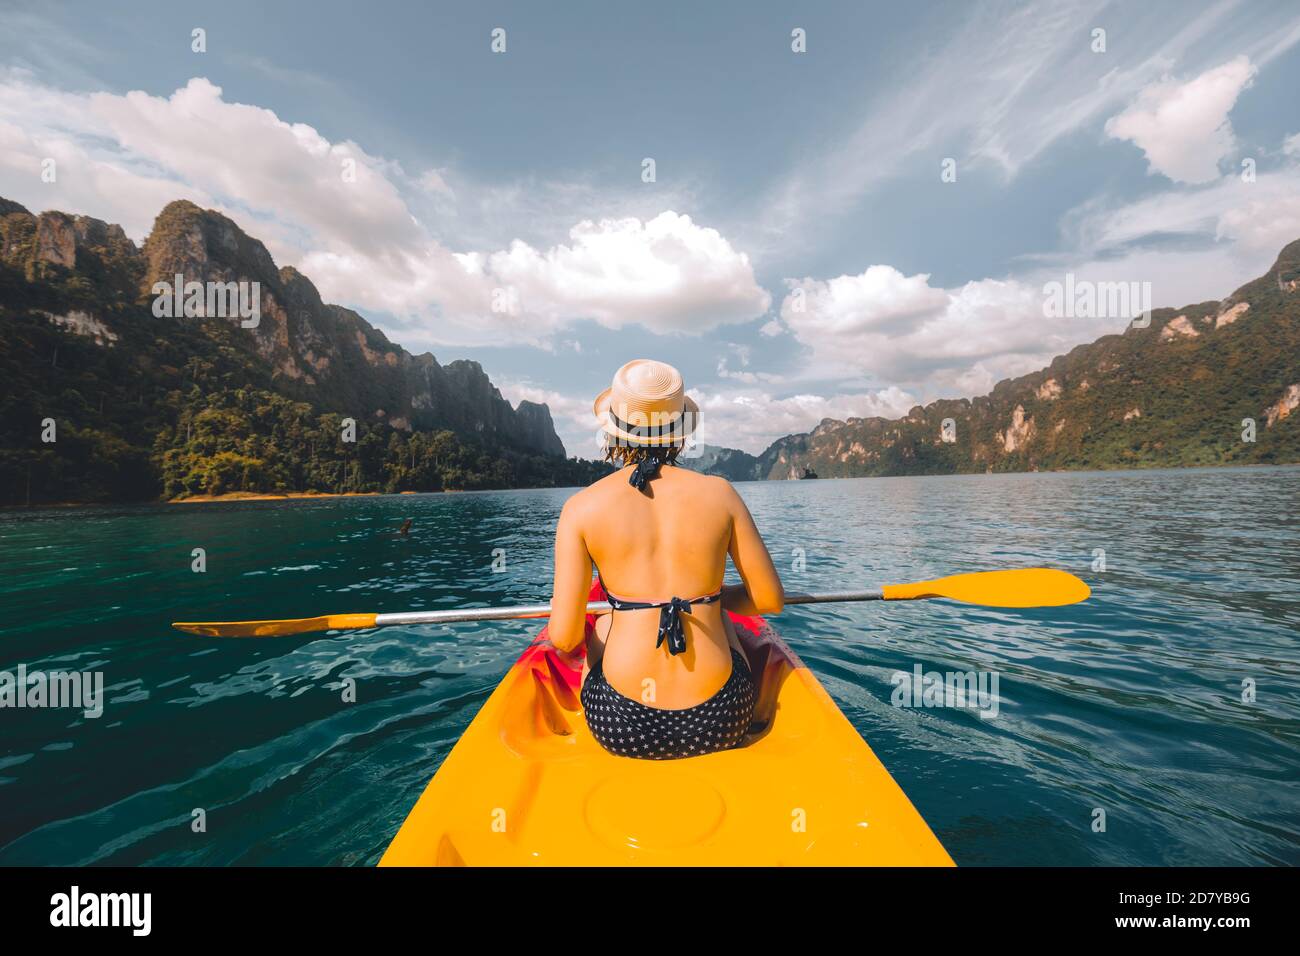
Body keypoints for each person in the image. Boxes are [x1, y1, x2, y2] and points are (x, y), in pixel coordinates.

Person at [547, 359, 784, 760]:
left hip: (621, 725)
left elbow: (566, 638)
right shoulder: (720, 493)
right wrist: (708, 600)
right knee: (720, 615)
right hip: (722, 719)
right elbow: (769, 600)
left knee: (604, 620)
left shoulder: (581, 508)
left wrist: (613, 616)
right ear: (679, 432)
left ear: (613, 430)